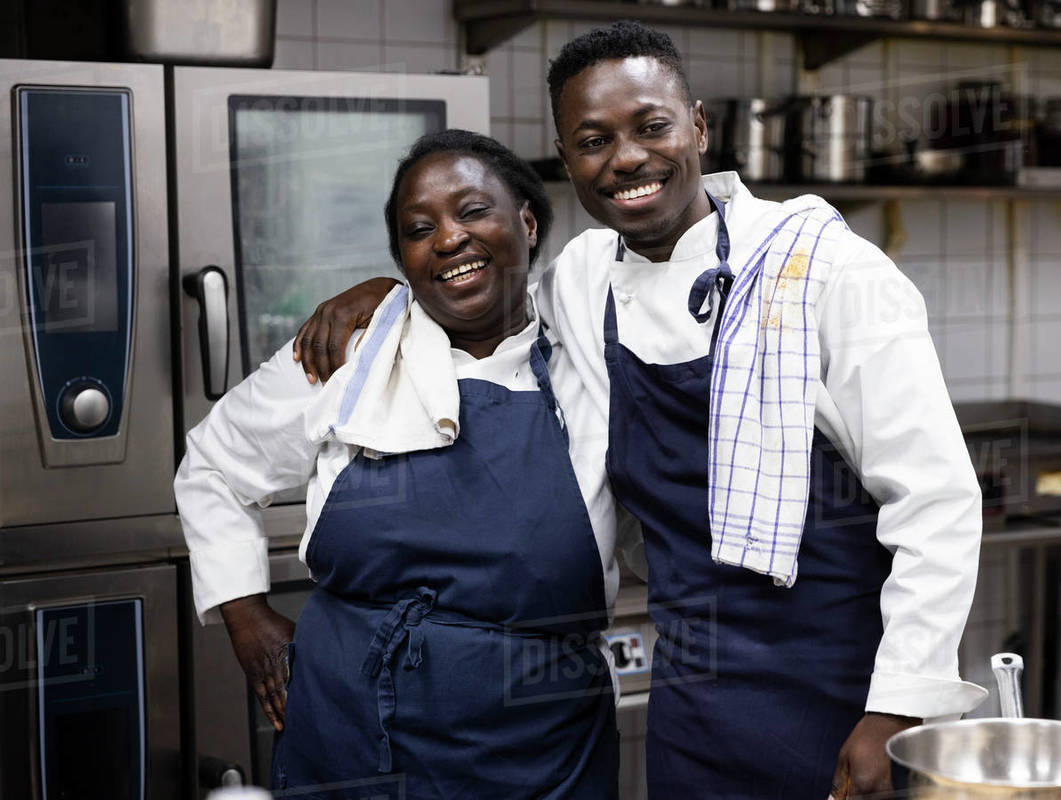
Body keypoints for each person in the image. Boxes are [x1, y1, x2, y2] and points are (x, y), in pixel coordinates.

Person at [293, 22, 986, 800]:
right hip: (696, 701)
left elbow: (935, 502)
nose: (625, 158)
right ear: (567, 162)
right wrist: (387, 298)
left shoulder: (830, 274)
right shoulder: (584, 281)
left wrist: (898, 708)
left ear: (697, 126)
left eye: (651, 126)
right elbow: (475, 288)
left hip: (845, 689)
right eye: (594, 140)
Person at [175, 130, 629, 800]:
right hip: (347, 742)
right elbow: (214, 465)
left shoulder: (591, 358)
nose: (448, 239)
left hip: (537, 756)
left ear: (527, 222)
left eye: (473, 211)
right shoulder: (352, 353)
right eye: (420, 229)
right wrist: (247, 618)